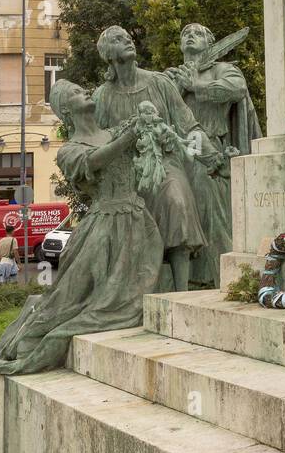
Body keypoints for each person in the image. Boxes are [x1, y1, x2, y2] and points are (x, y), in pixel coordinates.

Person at [0, 80, 164, 376]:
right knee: (70, 298)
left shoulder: (114, 131)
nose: (84, 91)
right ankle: (31, 337)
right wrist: (127, 138)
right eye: (74, 93)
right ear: (66, 111)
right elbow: (92, 161)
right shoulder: (69, 150)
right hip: (103, 226)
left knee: (131, 291)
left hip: (139, 220)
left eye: (82, 89)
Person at [93, 26, 219, 293]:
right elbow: (97, 145)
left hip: (165, 163)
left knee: (176, 200)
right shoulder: (102, 97)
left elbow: (189, 126)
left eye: (127, 36)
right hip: (127, 173)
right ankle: (135, 293)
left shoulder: (159, 83)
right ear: (108, 55)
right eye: (118, 39)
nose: (127, 39)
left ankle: (182, 292)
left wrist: (211, 158)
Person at [165, 23, 260, 287]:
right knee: (179, 218)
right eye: (185, 33)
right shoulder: (171, 76)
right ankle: (188, 281)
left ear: (210, 42)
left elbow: (237, 90)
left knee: (213, 217)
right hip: (177, 151)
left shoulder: (223, 69)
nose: (189, 36)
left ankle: (227, 280)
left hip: (209, 150)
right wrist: (177, 87)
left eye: (197, 33)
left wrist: (195, 86)